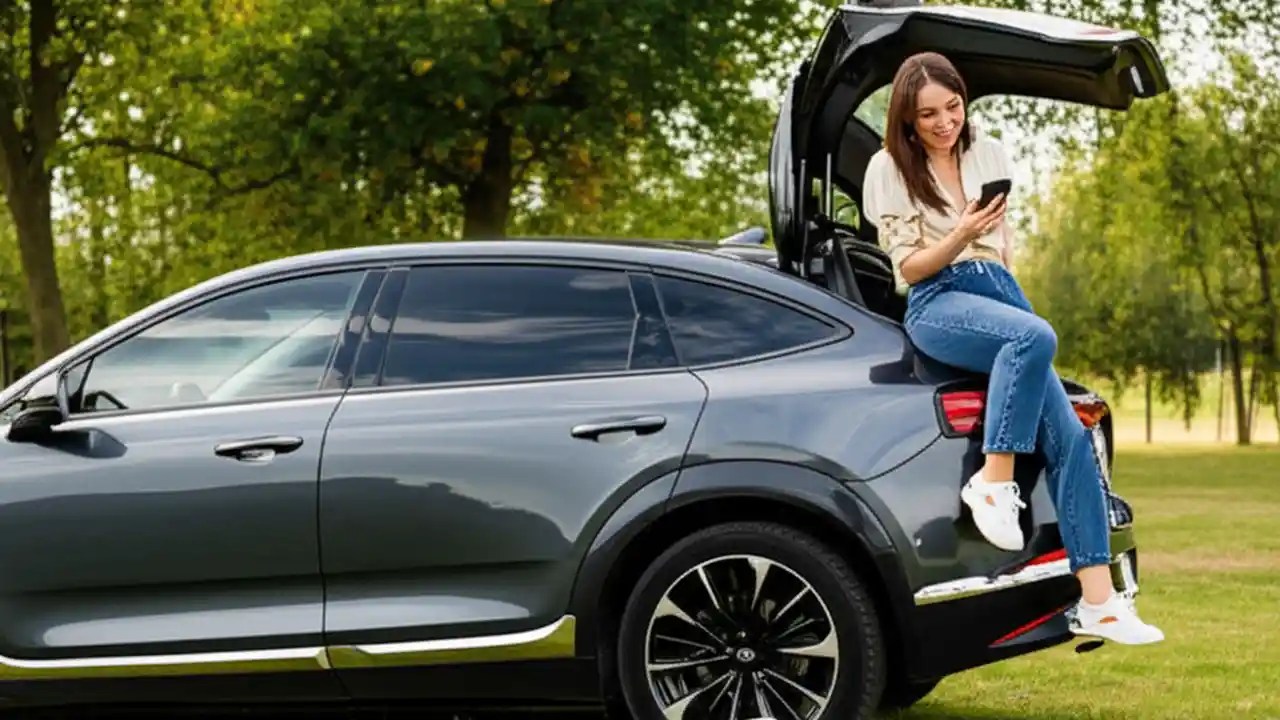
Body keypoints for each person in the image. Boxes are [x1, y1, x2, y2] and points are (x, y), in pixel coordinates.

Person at [862, 51, 1163, 645]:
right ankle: (993, 481)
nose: (945, 122)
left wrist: (1001, 280)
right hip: (939, 298)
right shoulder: (887, 167)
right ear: (908, 120)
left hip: (999, 293)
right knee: (1035, 334)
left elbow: (1003, 246)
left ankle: (1099, 604)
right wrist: (961, 233)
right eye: (929, 115)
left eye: (953, 107)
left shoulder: (989, 151)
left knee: (1073, 441)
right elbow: (911, 269)